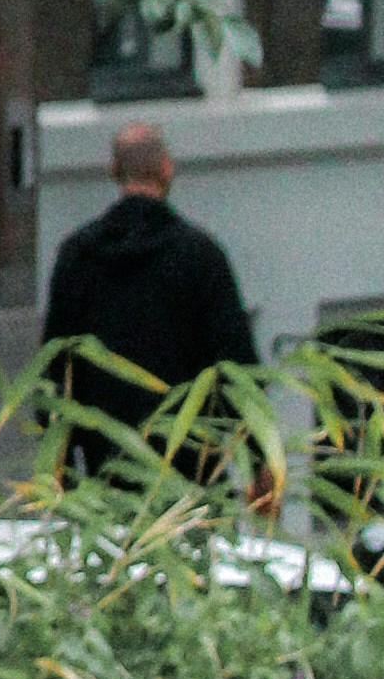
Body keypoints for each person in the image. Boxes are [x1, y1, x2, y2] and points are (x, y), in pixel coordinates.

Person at [40, 117, 259, 444]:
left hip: (104, 465)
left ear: (113, 171)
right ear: (167, 168)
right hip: (187, 461)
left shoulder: (77, 255)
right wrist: (258, 456)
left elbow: (56, 370)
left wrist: (61, 464)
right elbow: (236, 368)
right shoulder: (201, 255)